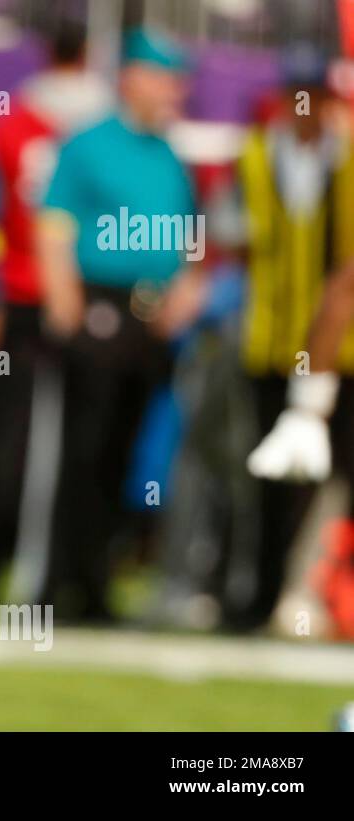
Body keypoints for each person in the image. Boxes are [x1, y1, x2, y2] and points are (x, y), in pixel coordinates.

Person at [35, 29, 203, 621]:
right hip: (97, 306)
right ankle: (56, 582)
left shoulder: (170, 157)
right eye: (164, 77)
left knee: (125, 454)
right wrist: (64, 299)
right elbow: (55, 221)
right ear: (132, 78)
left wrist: (185, 290)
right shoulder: (88, 145)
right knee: (83, 447)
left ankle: (99, 581)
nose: (173, 91)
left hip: (149, 317)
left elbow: (189, 238)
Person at [0, 20, 110, 600]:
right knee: (68, 447)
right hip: (73, 295)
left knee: (18, 446)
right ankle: (51, 578)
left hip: (25, 292)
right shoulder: (104, 125)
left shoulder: (11, 121)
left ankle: (4, 574)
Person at [227, 45, 354, 630]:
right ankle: (261, 595)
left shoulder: (347, 159)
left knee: (333, 481)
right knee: (267, 484)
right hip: (273, 344)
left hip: (341, 353)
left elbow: (343, 282)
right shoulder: (255, 156)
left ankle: (314, 596)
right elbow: (231, 240)